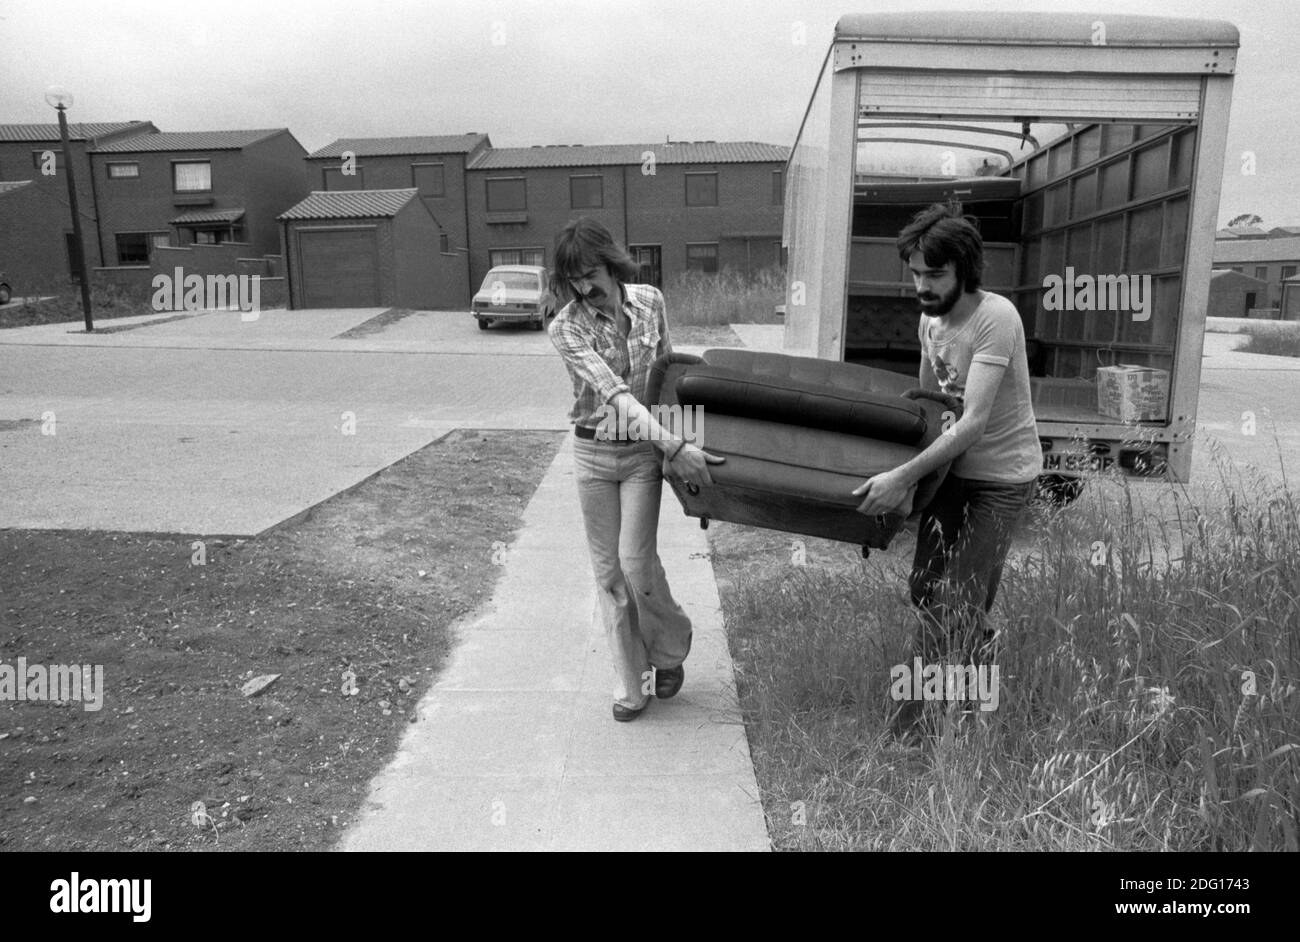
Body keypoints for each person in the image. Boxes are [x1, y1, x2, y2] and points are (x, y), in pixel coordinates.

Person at [851, 202, 1041, 741]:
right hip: (953, 475)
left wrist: (902, 478)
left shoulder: (995, 318)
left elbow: (973, 422)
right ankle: (983, 657)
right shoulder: (929, 321)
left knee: (951, 603)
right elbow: (928, 408)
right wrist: (904, 471)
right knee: (925, 588)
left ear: (965, 269)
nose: (922, 286)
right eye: (915, 273)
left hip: (1003, 480)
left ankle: (908, 733)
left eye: (934, 274)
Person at [548, 217, 724, 723]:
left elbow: (668, 373)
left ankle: (669, 650)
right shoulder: (567, 327)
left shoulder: (650, 301)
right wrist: (672, 442)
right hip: (594, 453)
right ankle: (634, 683)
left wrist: (680, 447)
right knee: (609, 575)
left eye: (590, 273)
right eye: (573, 280)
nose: (585, 287)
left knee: (636, 562)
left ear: (610, 262)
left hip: (643, 455)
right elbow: (615, 395)